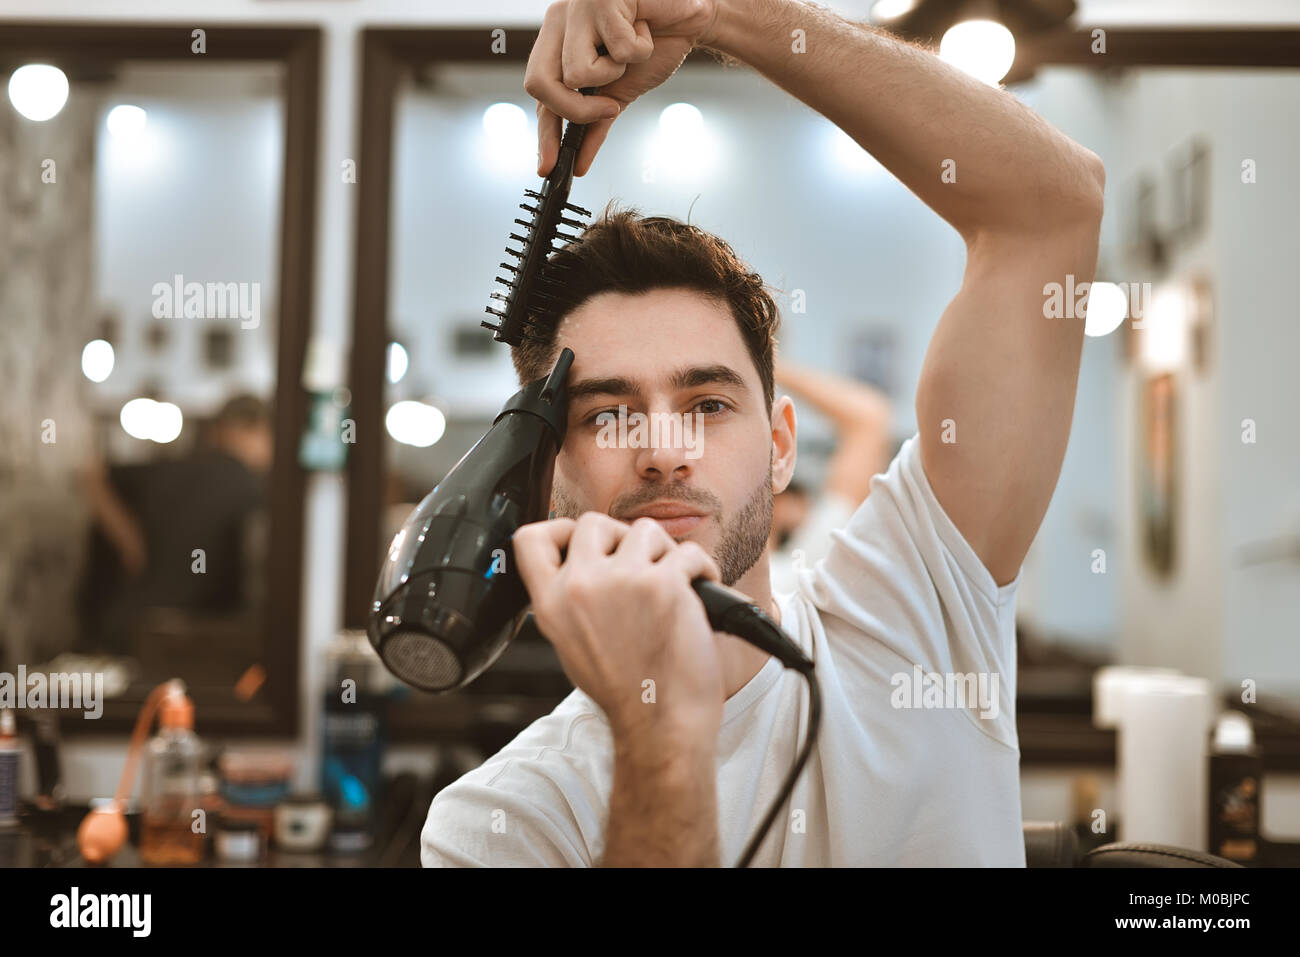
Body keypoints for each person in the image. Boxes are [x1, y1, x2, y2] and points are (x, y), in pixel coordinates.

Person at [421, 0, 1103, 866]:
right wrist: (656, 723)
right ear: (541, 471)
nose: (663, 446)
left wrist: (718, 12)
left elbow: (1052, 209)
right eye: (606, 411)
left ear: (783, 444)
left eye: (707, 403)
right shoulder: (502, 822)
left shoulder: (915, 604)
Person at [79, 394, 273, 655]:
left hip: (126, 627)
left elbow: (91, 473)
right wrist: (130, 542)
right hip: (191, 643)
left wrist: (130, 542)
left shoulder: (174, 464)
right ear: (253, 430)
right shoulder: (252, 489)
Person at [767, 360, 893, 595]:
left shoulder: (788, 573)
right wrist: (768, 361)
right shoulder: (794, 576)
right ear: (781, 506)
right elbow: (868, 419)